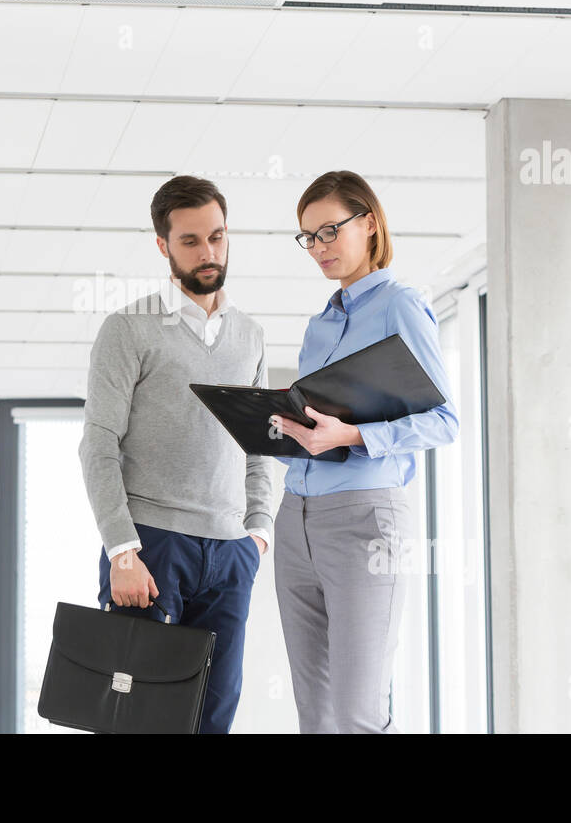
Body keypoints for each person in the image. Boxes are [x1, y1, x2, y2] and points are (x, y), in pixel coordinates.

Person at [78, 175, 275, 734]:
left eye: (217, 236)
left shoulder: (250, 336)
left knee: (214, 717)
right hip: (152, 549)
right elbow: (98, 443)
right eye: (190, 240)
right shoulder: (128, 329)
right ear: (163, 245)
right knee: (138, 719)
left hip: (231, 552)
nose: (208, 252)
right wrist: (122, 550)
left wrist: (259, 534)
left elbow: (260, 445)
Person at [269, 169, 458, 733]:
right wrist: (282, 432)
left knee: (357, 712)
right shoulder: (319, 326)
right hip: (295, 520)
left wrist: (353, 437)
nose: (319, 247)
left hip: (364, 519)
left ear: (369, 223)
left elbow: (444, 422)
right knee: (316, 714)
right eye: (309, 237)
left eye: (330, 230)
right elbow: (320, 427)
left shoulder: (400, 306)